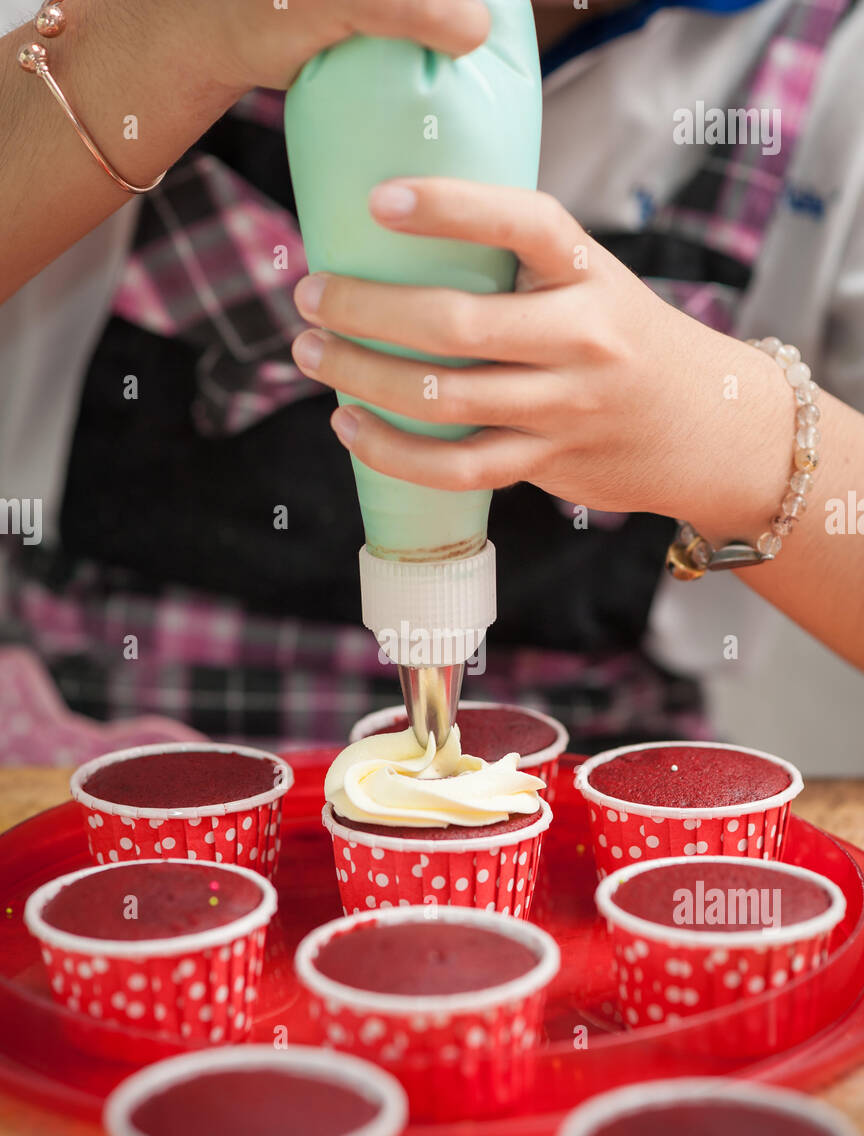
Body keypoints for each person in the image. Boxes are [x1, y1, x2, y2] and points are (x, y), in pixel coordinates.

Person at [1, 0, 863, 762]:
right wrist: (149, 46)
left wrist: (731, 431)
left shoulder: (830, 62)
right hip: (95, 748)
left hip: (584, 781)